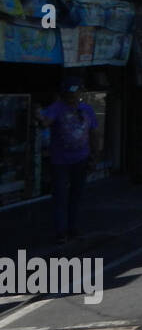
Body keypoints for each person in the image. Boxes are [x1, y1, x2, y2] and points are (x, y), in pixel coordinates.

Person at [38, 77, 98, 245]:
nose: (72, 96)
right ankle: (61, 231)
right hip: (60, 161)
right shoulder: (56, 108)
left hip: (81, 158)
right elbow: (46, 122)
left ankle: (73, 228)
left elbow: (94, 134)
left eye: (75, 92)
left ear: (80, 92)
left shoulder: (87, 110)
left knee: (76, 196)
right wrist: (39, 117)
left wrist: (94, 156)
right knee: (60, 196)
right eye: (69, 93)